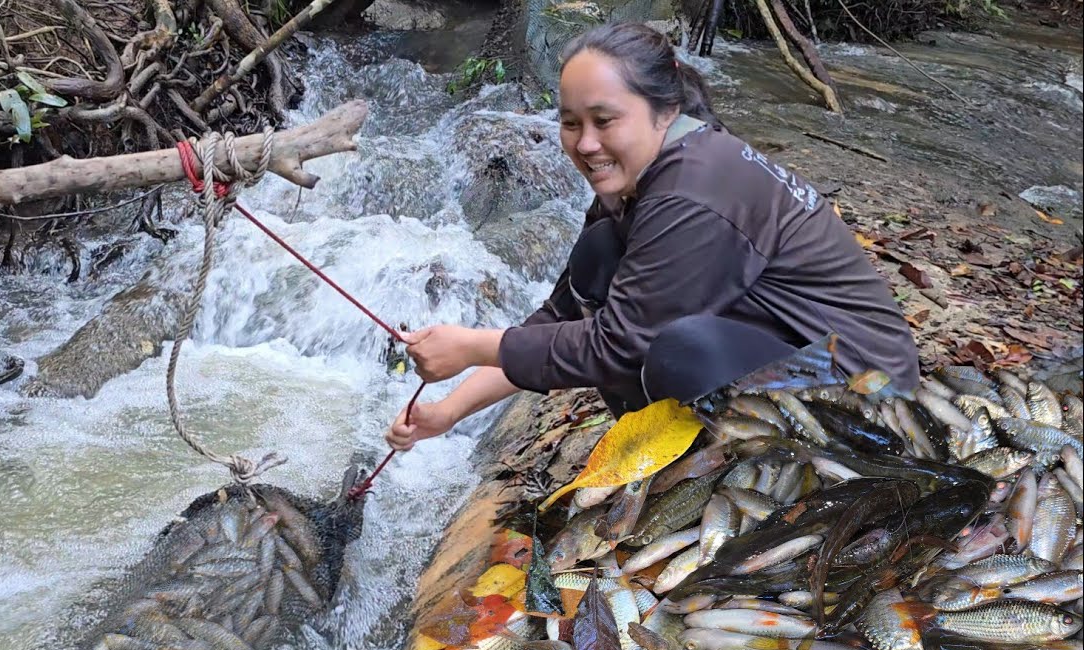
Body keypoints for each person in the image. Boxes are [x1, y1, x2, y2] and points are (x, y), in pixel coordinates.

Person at [385, 22, 919, 452]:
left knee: (677, 354)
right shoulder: (641, 175)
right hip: (791, 348)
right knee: (598, 258)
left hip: (869, 394)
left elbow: (618, 346)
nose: (586, 143)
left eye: (605, 120)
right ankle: (704, 448)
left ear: (665, 110)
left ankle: (753, 469)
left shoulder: (694, 189)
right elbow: (563, 317)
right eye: (570, 123)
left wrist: (472, 346)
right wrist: (448, 411)